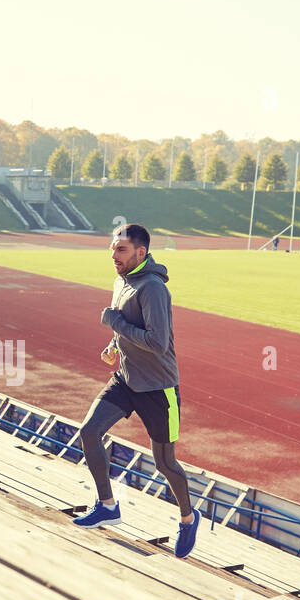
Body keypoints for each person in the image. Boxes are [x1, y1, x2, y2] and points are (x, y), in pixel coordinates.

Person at [74, 223, 200, 559]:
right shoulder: (123, 280)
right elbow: (128, 322)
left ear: (140, 252)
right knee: (89, 432)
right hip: (126, 379)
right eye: (112, 248)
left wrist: (114, 323)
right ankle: (107, 505)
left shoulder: (153, 288)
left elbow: (158, 343)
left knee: (165, 463)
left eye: (121, 249)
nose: (113, 255)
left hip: (158, 388)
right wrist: (113, 344)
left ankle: (188, 518)